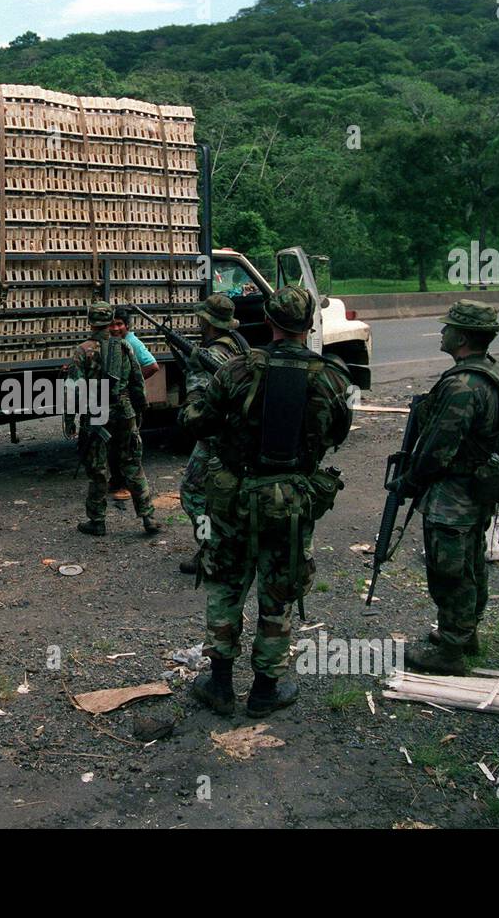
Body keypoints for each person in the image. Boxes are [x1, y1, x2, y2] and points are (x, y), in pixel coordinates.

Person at [180, 287, 352, 717]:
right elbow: (337, 434)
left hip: (235, 496)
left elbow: (197, 424)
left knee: (225, 584)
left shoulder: (236, 371)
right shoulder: (332, 377)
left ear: (269, 323)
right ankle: (264, 690)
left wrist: (196, 395)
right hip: (290, 503)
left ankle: (219, 685)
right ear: (309, 325)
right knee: (279, 592)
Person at [393, 300, 499, 675]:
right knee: (472, 561)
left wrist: (410, 481)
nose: (442, 333)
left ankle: (451, 651)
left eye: (447, 328)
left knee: (450, 571)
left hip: (455, 491)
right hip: (479, 487)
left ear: (461, 336)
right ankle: (464, 632)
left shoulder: (462, 385)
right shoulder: (495, 373)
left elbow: (438, 448)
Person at [64, 300, 160, 535]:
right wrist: (139, 409)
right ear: (110, 321)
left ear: (90, 322)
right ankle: (148, 518)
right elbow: (138, 381)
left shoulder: (83, 350)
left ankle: (97, 521)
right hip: (124, 412)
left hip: (96, 415)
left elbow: (74, 390)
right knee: (132, 465)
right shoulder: (125, 346)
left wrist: (69, 421)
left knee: (97, 470)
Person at [177, 294, 249, 574]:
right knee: (225, 493)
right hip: (237, 432)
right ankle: (229, 544)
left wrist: (193, 374)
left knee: (192, 492)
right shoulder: (237, 344)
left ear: (206, 321)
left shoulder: (215, 354)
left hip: (217, 436)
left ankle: (211, 548)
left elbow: (206, 401)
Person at [107, 308, 158, 499]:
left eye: (119, 324)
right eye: (112, 324)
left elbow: (152, 366)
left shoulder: (132, 343)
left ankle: (128, 487)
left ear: (127, 325)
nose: (115, 328)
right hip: (116, 405)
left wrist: (128, 384)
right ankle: (116, 481)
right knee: (114, 444)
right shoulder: (112, 343)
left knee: (128, 448)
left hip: (128, 404)